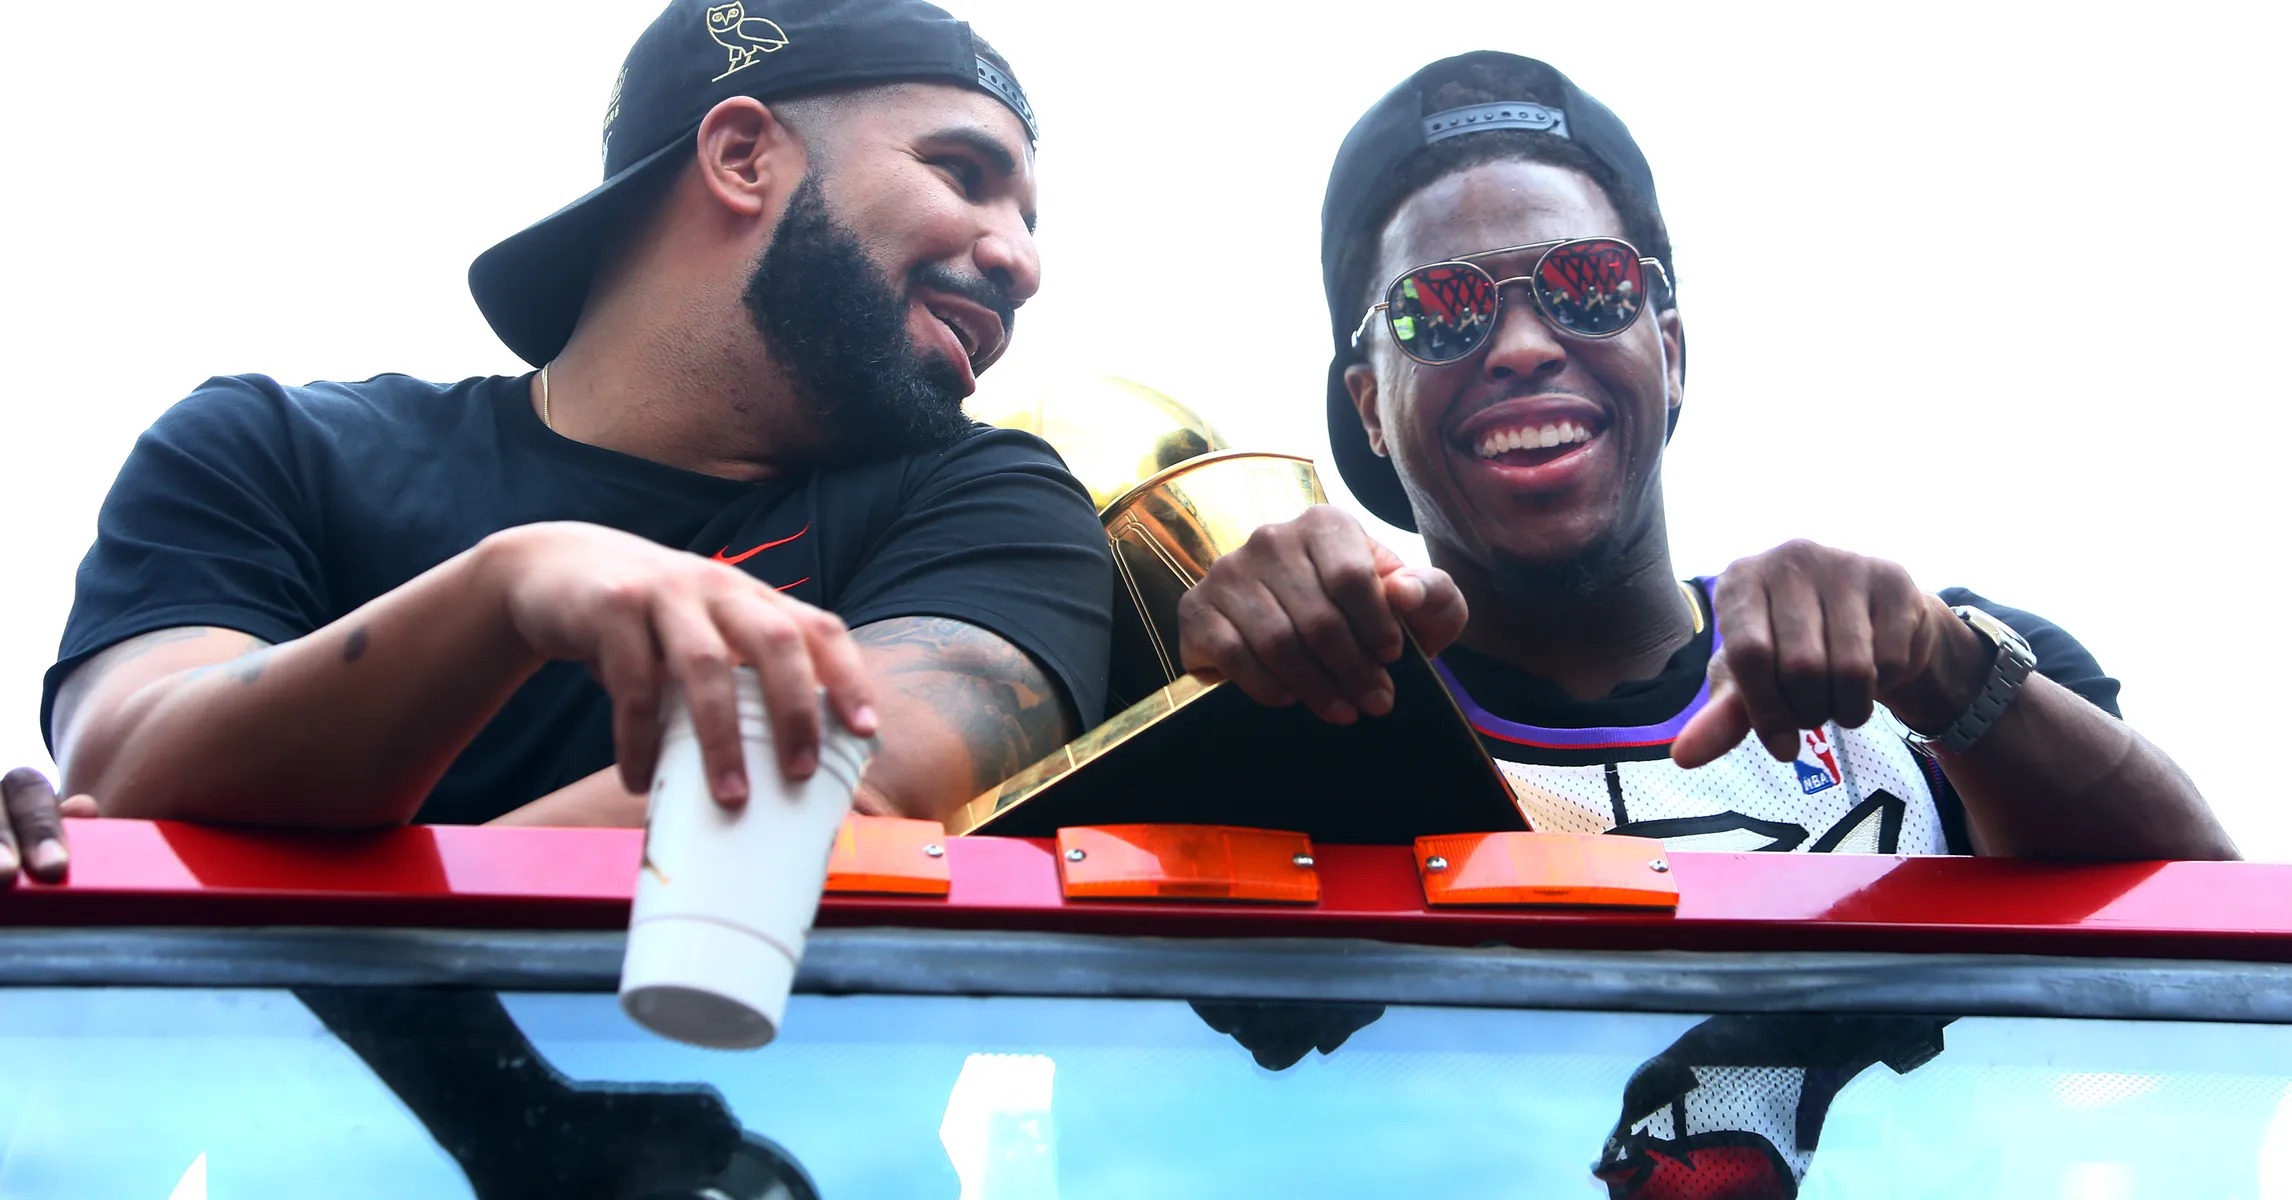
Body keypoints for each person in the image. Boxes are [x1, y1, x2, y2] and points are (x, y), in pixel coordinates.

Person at [42, 0, 1111, 830]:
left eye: (1028, 216)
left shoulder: (999, 504)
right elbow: (128, 783)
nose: (1021, 259)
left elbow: (817, 805)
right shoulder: (273, 450)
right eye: (963, 174)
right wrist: (505, 592)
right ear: (743, 157)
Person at [1178, 51, 2233, 860]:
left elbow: (2216, 956)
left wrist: (1949, 672)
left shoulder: (1926, 686)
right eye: (1441, 308)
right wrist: (1203, 709)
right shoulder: (1320, 718)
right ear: (1370, 408)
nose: (1525, 345)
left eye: (1586, 284)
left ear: (1669, 350)